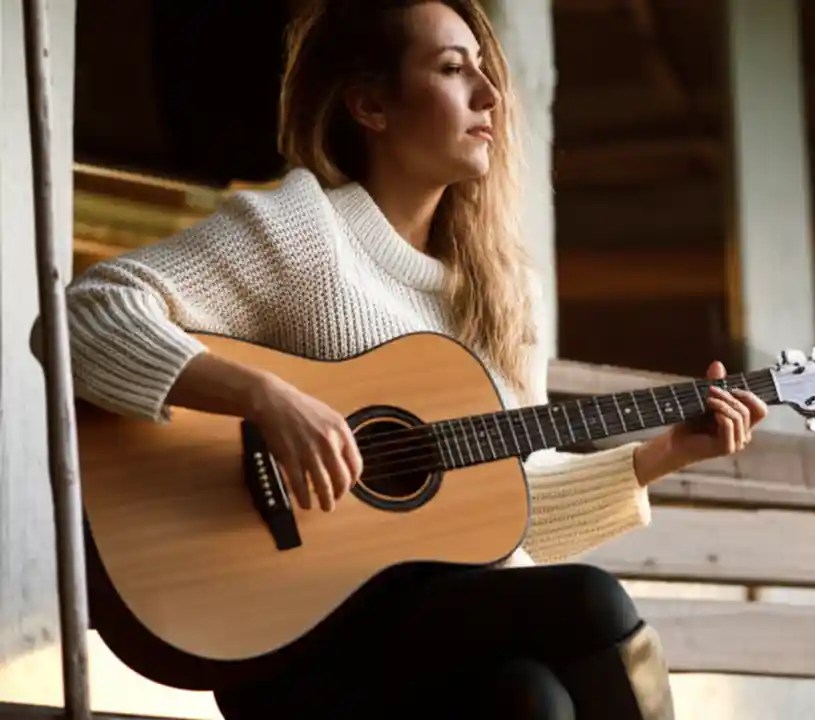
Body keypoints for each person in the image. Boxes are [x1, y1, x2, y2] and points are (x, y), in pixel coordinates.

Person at [63, 1, 768, 718]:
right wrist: (264, 398)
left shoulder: (501, 293)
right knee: (590, 600)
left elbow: (505, 512)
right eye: (453, 69)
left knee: (530, 701)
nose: (490, 95)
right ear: (371, 104)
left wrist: (664, 453)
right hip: (284, 646)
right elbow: (89, 314)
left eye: (487, 72)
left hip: (425, 646)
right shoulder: (306, 232)